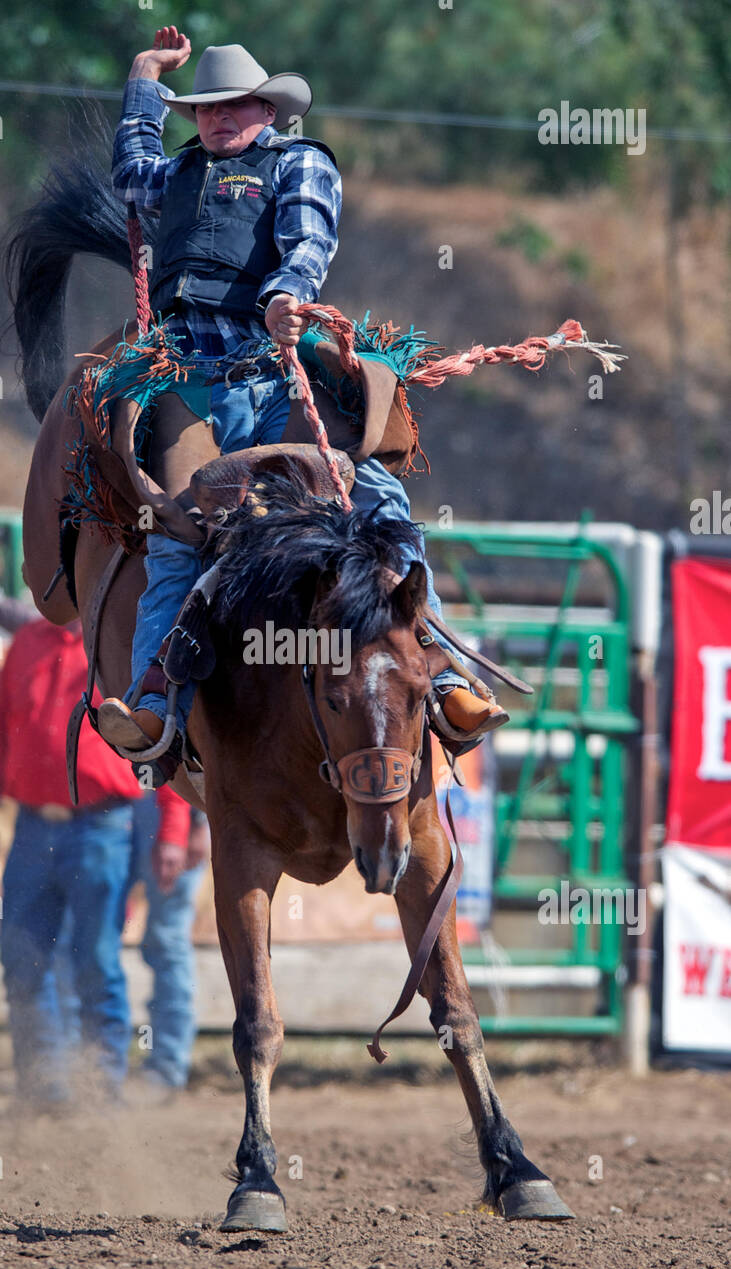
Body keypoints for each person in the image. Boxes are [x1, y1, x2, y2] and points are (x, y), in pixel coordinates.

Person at [96, 28, 507, 776]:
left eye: (233, 107)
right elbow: (130, 174)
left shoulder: (298, 163)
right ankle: (155, 702)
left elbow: (307, 242)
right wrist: (143, 79)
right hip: (189, 388)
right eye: (205, 110)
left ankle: (445, 675)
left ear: (266, 107)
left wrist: (289, 293)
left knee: (377, 504)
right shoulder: (179, 173)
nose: (217, 120)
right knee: (174, 535)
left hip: (272, 377)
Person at [0, 615, 142, 1111]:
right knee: (23, 958)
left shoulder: (113, 638)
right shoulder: (26, 642)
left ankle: (102, 1092)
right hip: (32, 829)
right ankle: (42, 1088)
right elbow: (0, 737)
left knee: (97, 961)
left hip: (100, 824)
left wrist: (173, 829)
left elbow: (156, 735)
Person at [131, 795, 208, 1091]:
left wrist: (197, 821)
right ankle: (91, 1064)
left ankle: (167, 1067)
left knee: (167, 938)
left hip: (169, 804)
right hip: (115, 803)